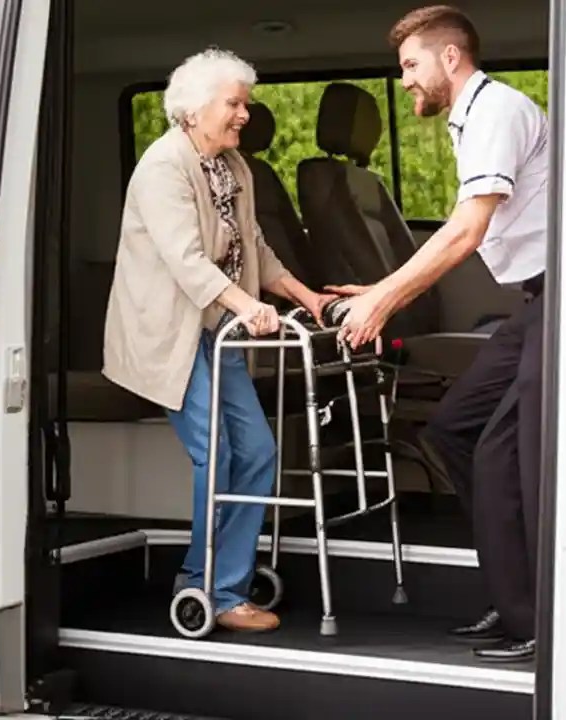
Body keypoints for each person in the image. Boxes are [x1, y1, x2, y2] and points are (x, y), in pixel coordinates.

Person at [327, 5, 549, 662]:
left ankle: (538, 616)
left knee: (503, 451)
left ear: (449, 58)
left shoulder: (495, 112)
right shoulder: (471, 119)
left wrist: (383, 304)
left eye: (410, 65)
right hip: (536, 300)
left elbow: (465, 231)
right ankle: (515, 594)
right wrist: (374, 292)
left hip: (565, 295)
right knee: (454, 429)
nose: (405, 81)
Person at [102, 48, 333, 633]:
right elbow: (187, 260)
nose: (244, 115)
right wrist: (250, 306)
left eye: (245, 104)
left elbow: (254, 248)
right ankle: (218, 591)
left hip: (218, 335)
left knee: (258, 452)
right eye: (234, 103)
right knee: (220, 455)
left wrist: (305, 297)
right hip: (172, 337)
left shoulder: (234, 168)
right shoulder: (164, 167)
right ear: (195, 108)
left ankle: (212, 576)